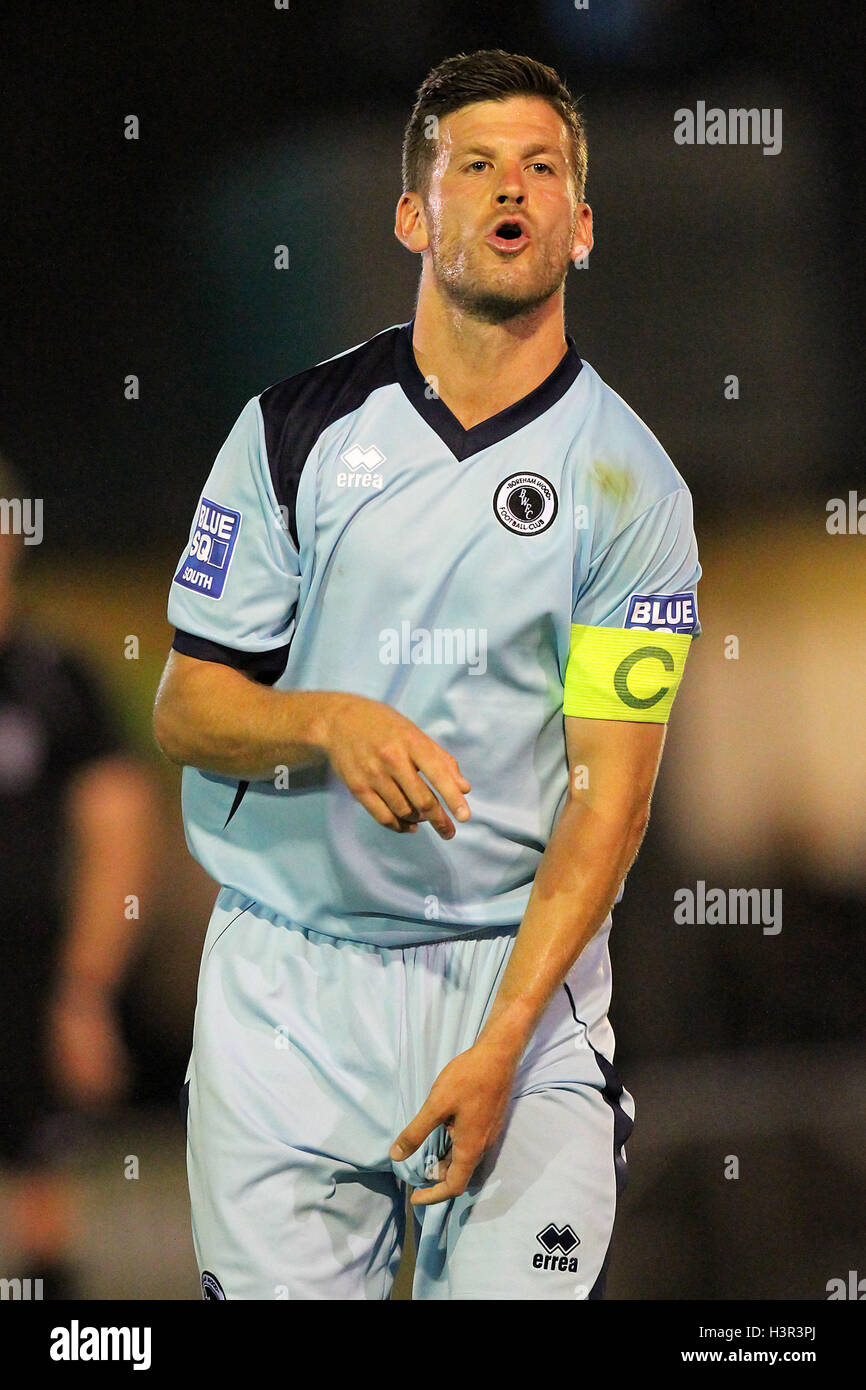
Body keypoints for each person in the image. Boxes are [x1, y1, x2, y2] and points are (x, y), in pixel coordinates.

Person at [153, 48, 702, 1301]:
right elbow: (189, 707)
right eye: (473, 165)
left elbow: (606, 800)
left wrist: (501, 1043)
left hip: (513, 977)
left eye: (542, 167)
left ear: (580, 223)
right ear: (414, 212)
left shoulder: (630, 487)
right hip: (289, 986)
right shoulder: (290, 432)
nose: (510, 189)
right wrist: (330, 722)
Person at [0, 455, 154, 1299]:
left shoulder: (58, 682)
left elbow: (119, 837)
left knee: (45, 1210)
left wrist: (86, 991)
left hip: (27, 978)